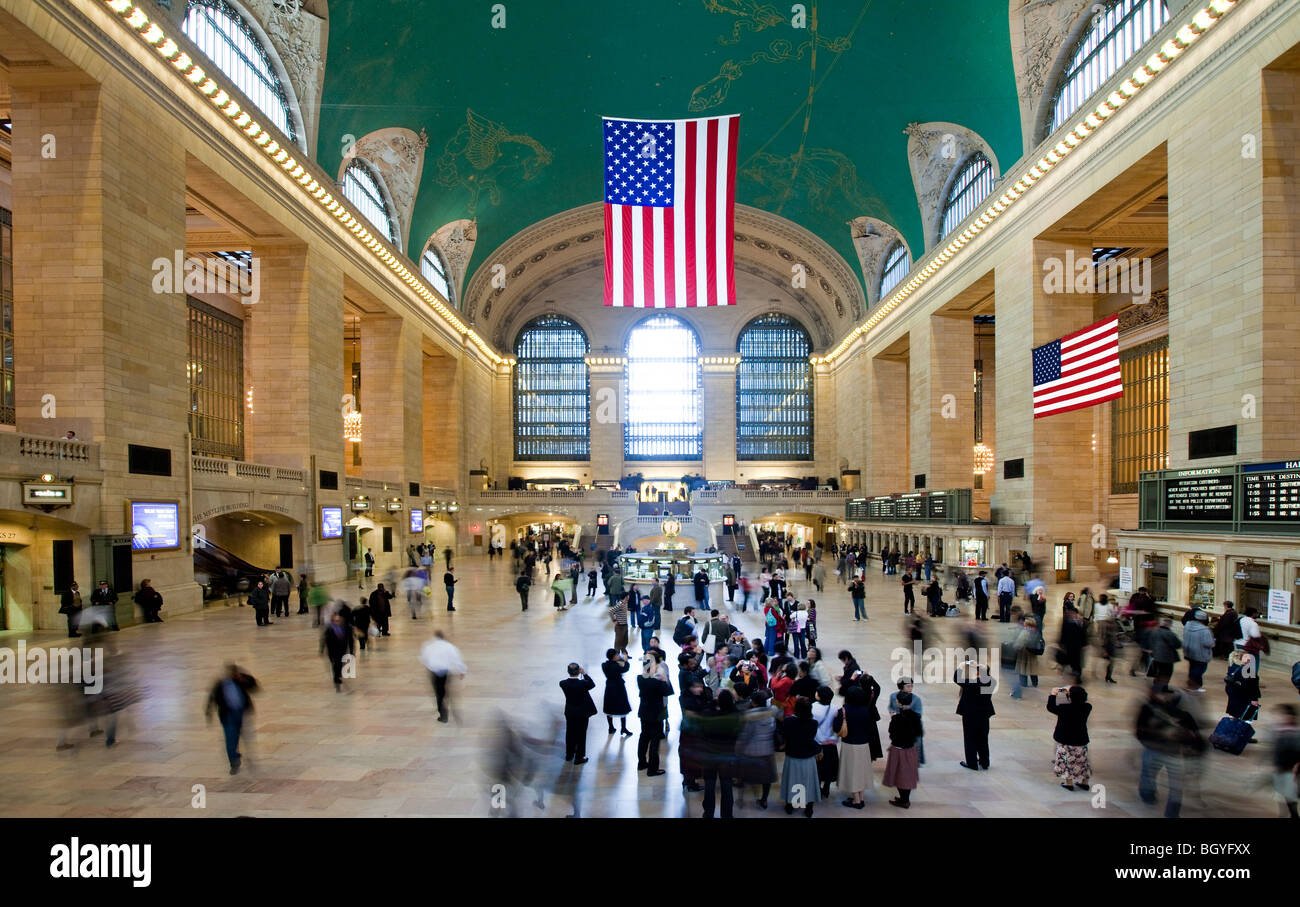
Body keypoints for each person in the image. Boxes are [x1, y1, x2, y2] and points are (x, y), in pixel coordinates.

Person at [1136, 685, 1203, 818]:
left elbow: (1139, 730)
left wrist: (1147, 739)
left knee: (1148, 775)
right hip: (1174, 754)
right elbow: (1195, 736)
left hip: (1153, 749)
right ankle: (1172, 813)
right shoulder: (1185, 716)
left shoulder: (1149, 709)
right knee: (1175, 787)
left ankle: (1148, 796)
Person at [205, 665, 258, 775]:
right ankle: (234, 761)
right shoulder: (220, 684)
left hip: (242, 713)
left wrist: (243, 678)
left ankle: (244, 754)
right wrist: (209, 713)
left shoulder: (241, 681)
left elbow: (254, 687)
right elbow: (212, 698)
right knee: (230, 739)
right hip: (228, 715)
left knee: (245, 736)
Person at [698, 689, 741, 818]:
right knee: (727, 785)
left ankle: (708, 812)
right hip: (727, 756)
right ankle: (727, 814)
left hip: (709, 755)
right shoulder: (734, 716)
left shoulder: (709, 715)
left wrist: (713, 703)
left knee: (710, 785)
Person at [834, 684, 876, 808]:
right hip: (864, 745)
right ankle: (860, 798)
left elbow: (837, 728)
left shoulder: (843, 710)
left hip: (850, 745)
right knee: (860, 772)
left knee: (851, 772)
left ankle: (856, 801)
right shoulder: (865, 711)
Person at [779, 696, 822, 817]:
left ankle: (790, 805)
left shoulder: (788, 721)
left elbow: (785, 736)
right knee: (808, 782)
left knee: (792, 781)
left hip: (792, 755)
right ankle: (809, 808)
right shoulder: (813, 723)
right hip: (808, 757)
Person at [1047, 685, 1092, 791]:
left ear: (1070, 697)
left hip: (1066, 740)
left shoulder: (1064, 708)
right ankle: (1084, 782)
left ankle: (1069, 783)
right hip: (1081, 740)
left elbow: (1051, 707)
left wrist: (1053, 695)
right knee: (1082, 761)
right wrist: (1070, 694)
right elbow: (1077, 703)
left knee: (1066, 762)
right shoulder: (1087, 707)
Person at [883, 690, 923, 808]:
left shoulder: (897, 719)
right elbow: (919, 732)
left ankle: (904, 800)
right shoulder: (916, 716)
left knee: (899, 775)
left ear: (899, 703)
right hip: (910, 749)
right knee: (907, 775)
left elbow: (892, 734)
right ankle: (905, 798)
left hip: (898, 749)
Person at [636, 654, 674, 776]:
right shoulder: (657, 683)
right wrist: (664, 680)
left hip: (644, 713)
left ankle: (642, 763)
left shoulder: (640, 679)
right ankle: (652, 769)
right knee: (655, 741)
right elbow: (669, 692)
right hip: (656, 714)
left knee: (643, 737)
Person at [955, 659, 995, 770]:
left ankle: (971, 763)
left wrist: (960, 666)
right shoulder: (991, 681)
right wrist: (981, 667)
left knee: (970, 739)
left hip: (970, 714)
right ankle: (984, 762)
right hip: (984, 715)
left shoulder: (972, 684)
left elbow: (956, 678)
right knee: (983, 738)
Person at [420, 630, 467, 723]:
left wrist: (429, 665)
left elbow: (424, 658)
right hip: (445, 672)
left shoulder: (429, 646)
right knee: (445, 690)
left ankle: (443, 714)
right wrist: (462, 671)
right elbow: (457, 659)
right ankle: (447, 698)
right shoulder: (449, 646)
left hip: (434, 672)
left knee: (438, 693)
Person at [558, 663, 597, 765]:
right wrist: (584, 674)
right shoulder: (583, 684)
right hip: (582, 712)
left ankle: (569, 754)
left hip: (570, 711)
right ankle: (579, 757)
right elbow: (592, 684)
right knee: (581, 734)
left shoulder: (563, 683)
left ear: (568, 672)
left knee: (570, 732)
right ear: (578, 671)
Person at [888, 676, 925, 764]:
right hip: (900, 725)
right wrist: (891, 711)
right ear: (901, 687)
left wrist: (906, 711)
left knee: (914, 749)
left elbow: (918, 714)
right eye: (908, 686)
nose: (910, 688)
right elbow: (891, 706)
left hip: (912, 726)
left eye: (912, 686)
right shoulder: (893, 696)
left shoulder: (916, 699)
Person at [1272, 704, 1300, 819]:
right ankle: (1288, 814)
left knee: (1291, 795)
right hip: (1281, 767)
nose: (1284, 718)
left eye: (1287, 716)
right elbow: (1277, 749)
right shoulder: (1280, 731)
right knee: (1282, 794)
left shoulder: (1297, 733)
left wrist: (1297, 766)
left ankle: (1293, 814)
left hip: (1293, 769)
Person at [602, 649, 633, 737]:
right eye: (617, 655)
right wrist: (626, 661)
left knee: (609, 707)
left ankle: (611, 727)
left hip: (609, 687)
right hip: (619, 687)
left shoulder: (605, 665)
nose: (618, 656)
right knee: (622, 706)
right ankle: (623, 728)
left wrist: (620, 660)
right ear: (613, 657)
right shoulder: (616, 666)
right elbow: (625, 668)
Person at [320, 612, 354, 691]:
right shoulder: (329, 628)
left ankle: (337, 675)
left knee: (340, 663)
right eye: (335, 620)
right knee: (334, 663)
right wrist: (321, 649)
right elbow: (324, 639)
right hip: (332, 650)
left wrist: (351, 651)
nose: (337, 621)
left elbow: (351, 640)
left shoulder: (347, 628)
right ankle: (336, 676)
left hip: (342, 649)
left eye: (338, 620)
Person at [1225, 650, 1262, 721]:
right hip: (1245, 697)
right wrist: (1254, 699)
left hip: (1234, 694)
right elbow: (1253, 686)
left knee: (1233, 715)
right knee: (1244, 718)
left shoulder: (1232, 667)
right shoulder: (1248, 670)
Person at [1182, 610, 1213, 692]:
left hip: (1189, 651)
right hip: (1200, 654)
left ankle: (1191, 684)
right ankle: (1195, 686)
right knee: (1199, 670)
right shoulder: (1204, 630)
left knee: (1192, 668)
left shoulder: (1187, 625)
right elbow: (1209, 643)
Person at [1013, 616, 1042, 698]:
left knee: (1023, 670)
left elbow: (1019, 643)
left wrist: (1015, 647)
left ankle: (1024, 683)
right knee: (1033, 670)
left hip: (1024, 655)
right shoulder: (1036, 631)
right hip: (1032, 655)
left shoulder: (1024, 632)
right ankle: (1035, 683)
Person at [1148, 616, 1182, 685]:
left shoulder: (1154, 631)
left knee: (1158, 672)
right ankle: (1159, 688)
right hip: (1166, 657)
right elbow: (1177, 644)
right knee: (1166, 674)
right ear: (1169, 625)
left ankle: (1156, 684)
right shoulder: (1170, 634)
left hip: (1155, 656)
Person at [1093, 594, 1118, 683]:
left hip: (1111, 645)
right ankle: (1096, 673)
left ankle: (1108, 676)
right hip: (1105, 646)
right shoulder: (1104, 623)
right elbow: (1102, 637)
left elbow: (1114, 635)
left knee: (1111, 661)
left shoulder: (1113, 622)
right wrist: (1104, 649)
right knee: (1102, 660)